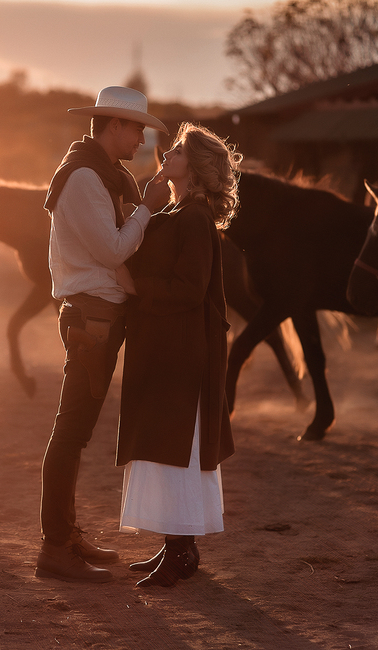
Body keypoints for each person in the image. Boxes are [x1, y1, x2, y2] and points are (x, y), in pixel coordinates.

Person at [35, 86, 172, 583]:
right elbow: (115, 251)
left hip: (98, 317)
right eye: (136, 128)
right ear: (113, 126)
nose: (140, 137)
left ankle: (64, 536)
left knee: (75, 432)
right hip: (92, 318)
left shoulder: (99, 175)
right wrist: (149, 206)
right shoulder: (85, 180)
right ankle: (55, 547)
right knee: (70, 431)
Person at [115, 122, 241, 588]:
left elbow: (190, 289)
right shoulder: (179, 210)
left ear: (197, 167)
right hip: (169, 346)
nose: (169, 153)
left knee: (178, 449)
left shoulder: (194, 217)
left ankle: (181, 552)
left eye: (180, 151)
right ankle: (177, 546)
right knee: (168, 447)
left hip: (184, 352)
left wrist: (134, 286)